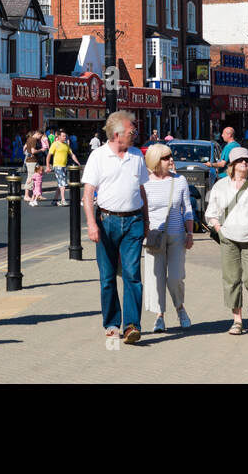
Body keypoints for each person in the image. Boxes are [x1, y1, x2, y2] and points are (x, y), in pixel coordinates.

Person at [82, 111, 151, 344]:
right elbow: (88, 193)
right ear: (117, 134)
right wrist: (91, 224)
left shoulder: (136, 156)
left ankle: (132, 326)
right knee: (108, 276)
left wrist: (147, 220)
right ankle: (112, 323)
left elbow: (142, 191)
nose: (135, 133)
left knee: (132, 274)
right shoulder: (98, 156)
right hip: (106, 221)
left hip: (133, 222)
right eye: (132, 130)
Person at [207, 147, 248, 334]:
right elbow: (211, 213)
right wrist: (219, 230)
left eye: (247, 160)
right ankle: (237, 319)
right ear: (232, 164)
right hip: (228, 238)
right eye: (240, 160)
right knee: (232, 279)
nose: (245, 163)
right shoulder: (221, 185)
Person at [141, 143, 194, 332]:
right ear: (155, 160)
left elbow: (187, 208)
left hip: (177, 235)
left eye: (170, 156)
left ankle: (180, 308)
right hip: (154, 237)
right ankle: (159, 316)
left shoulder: (179, 180)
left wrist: (190, 233)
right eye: (166, 157)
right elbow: (141, 210)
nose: (171, 160)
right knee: (156, 278)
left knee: (176, 277)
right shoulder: (145, 182)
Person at [46, 129, 81, 206]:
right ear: (58, 136)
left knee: (60, 184)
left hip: (64, 166)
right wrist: (48, 166)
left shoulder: (66, 145)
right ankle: (63, 200)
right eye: (63, 136)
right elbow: (49, 155)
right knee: (63, 183)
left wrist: (77, 162)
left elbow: (72, 154)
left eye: (65, 136)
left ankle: (54, 200)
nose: (65, 137)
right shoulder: (55, 144)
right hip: (57, 166)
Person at [23, 132, 43, 204]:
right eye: (40, 136)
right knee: (31, 177)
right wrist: (41, 150)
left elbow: (24, 148)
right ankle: (26, 195)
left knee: (38, 176)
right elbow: (33, 151)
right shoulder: (34, 140)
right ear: (38, 134)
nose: (40, 138)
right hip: (32, 161)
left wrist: (27, 154)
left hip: (33, 160)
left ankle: (37, 194)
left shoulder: (29, 139)